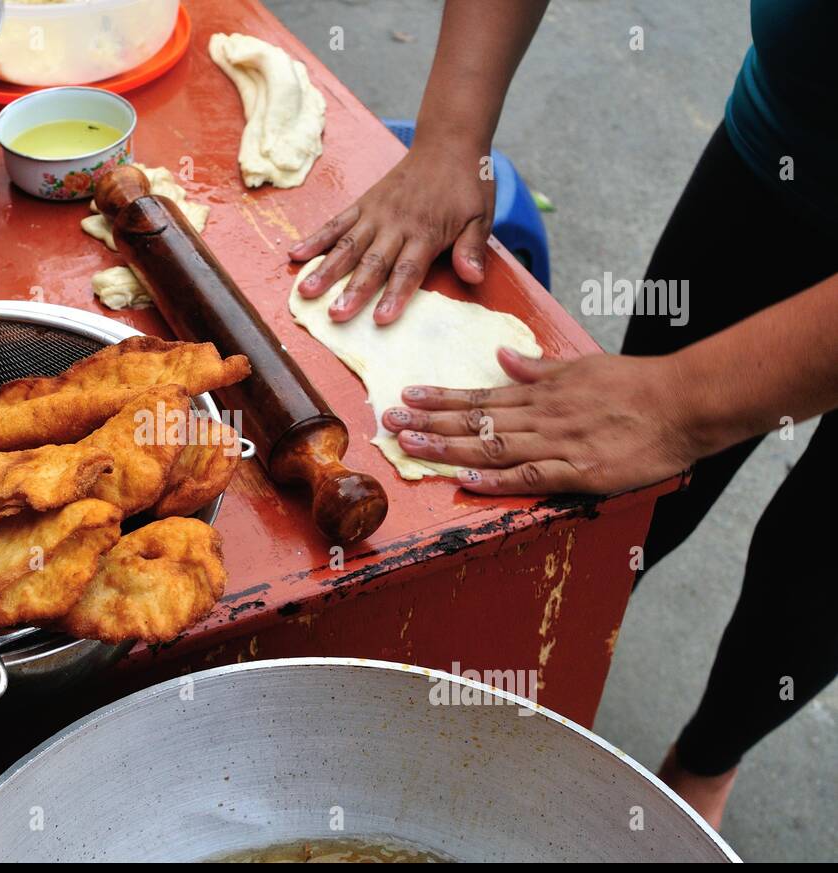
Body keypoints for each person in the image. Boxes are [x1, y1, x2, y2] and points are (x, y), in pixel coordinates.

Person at [292, 0, 837, 830]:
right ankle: (539, 663)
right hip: (791, 142)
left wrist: (679, 403)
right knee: (632, 494)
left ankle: (705, 762)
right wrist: (451, 136)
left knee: (819, 556)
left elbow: (665, 413)